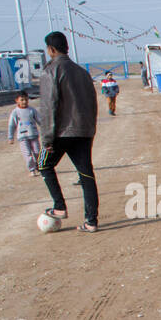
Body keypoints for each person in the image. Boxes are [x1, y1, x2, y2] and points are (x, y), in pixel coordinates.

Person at [37, 31, 99, 232]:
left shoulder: (50, 71)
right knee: (86, 174)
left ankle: (59, 207)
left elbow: (49, 106)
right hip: (84, 130)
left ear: (51, 49)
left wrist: (47, 138)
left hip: (62, 132)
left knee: (44, 164)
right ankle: (91, 221)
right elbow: (92, 102)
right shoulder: (82, 72)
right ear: (67, 48)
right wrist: (90, 128)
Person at [6, 91, 41, 177]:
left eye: (26, 100)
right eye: (22, 100)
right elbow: (11, 125)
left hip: (33, 135)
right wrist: (10, 137)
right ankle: (32, 169)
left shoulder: (32, 110)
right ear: (17, 101)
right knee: (27, 155)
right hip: (22, 137)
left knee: (37, 152)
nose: (24, 102)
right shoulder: (15, 112)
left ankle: (39, 167)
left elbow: (40, 121)